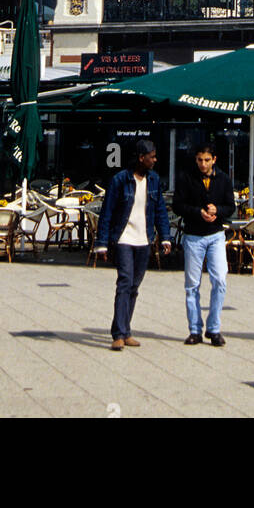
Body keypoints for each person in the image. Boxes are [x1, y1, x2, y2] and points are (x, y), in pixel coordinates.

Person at [94, 139, 171, 350]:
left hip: (144, 239)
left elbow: (160, 211)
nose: (155, 160)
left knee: (134, 286)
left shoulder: (154, 180)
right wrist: (101, 243)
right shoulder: (120, 180)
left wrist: (165, 236)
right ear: (141, 158)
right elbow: (107, 213)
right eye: (152, 157)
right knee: (125, 282)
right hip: (123, 238)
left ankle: (125, 329)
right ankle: (118, 334)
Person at [172, 142, 235, 347]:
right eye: (199, 160)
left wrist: (217, 210)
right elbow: (178, 205)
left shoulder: (224, 179)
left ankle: (214, 328)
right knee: (192, 285)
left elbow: (230, 206)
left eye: (207, 160)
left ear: (214, 160)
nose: (203, 164)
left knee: (220, 280)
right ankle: (195, 330)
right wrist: (198, 211)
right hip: (193, 236)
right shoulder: (186, 177)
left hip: (216, 234)